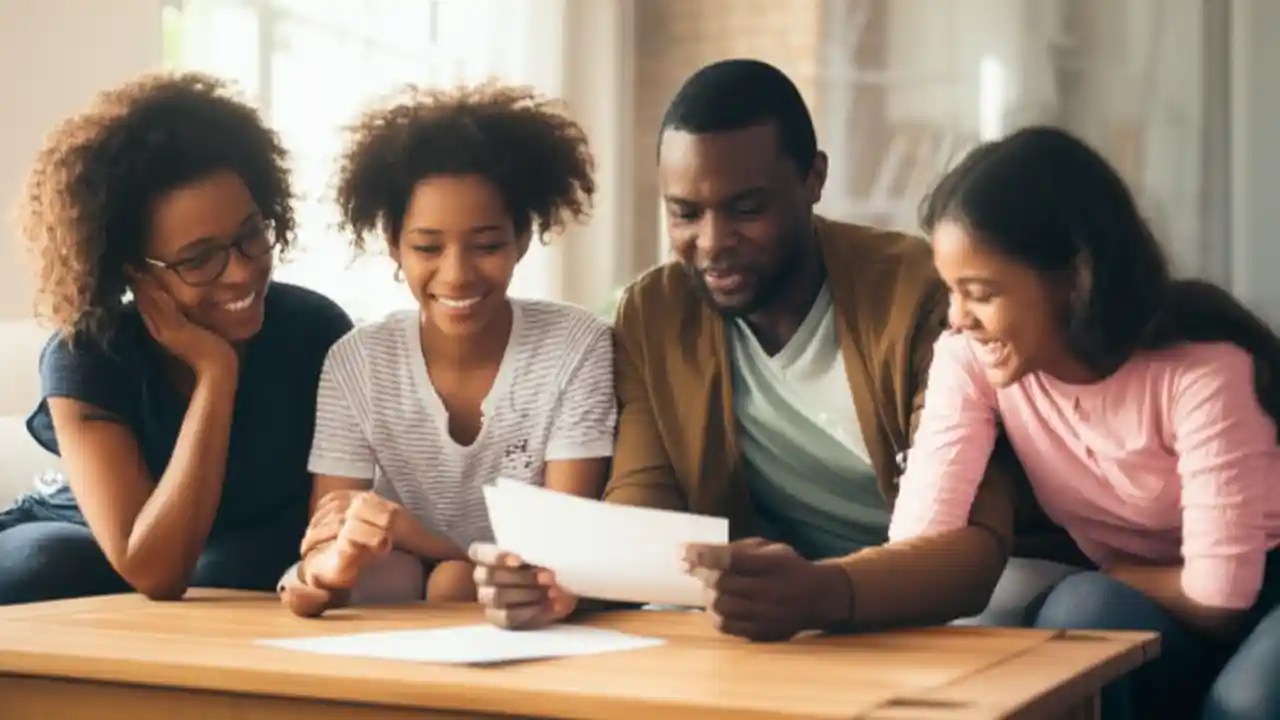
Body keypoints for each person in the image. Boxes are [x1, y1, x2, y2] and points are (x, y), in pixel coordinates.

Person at [469, 58, 1043, 639]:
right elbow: (644, 508)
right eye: (685, 213)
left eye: (746, 209)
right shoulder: (656, 313)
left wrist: (826, 592)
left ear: (813, 179)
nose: (713, 244)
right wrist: (554, 583)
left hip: (922, 601)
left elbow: (971, 546)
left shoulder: (919, 294)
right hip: (782, 617)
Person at [889, 126, 1280, 719]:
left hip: (1265, 595)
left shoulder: (1201, 373)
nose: (959, 317)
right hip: (1169, 603)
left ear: (1073, 281)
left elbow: (1222, 597)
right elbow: (919, 547)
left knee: (1243, 702)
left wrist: (1123, 571)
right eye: (951, 291)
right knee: (1079, 613)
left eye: (980, 293)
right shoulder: (970, 359)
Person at [0, 73, 353, 604]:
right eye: (199, 258)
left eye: (250, 235)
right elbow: (156, 570)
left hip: (237, 549)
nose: (240, 272)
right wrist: (216, 374)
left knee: (239, 567)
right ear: (135, 274)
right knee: (36, 567)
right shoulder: (88, 356)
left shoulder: (314, 331)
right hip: (93, 538)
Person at [278, 84, 615, 617]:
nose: (456, 275)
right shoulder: (356, 362)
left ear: (522, 238)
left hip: (532, 613)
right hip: (402, 596)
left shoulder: (575, 347)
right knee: (404, 575)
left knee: (452, 582)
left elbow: (556, 562)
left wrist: (427, 542)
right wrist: (330, 564)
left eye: (486, 246)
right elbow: (317, 563)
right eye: (427, 247)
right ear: (392, 242)